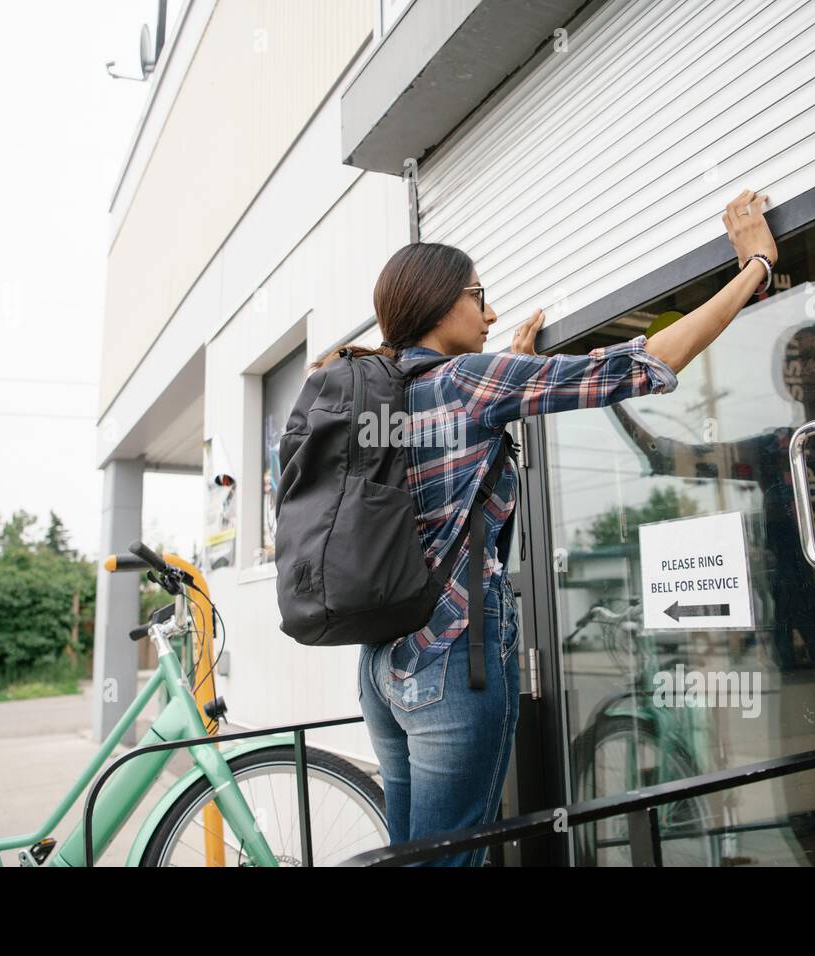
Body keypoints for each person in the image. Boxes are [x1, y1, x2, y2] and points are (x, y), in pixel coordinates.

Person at [308, 190, 778, 865]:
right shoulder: (470, 382)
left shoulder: (375, 390)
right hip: (451, 659)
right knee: (449, 860)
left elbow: (448, 472)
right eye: (478, 294)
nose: (491, 311)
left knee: (407, 857)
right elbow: (640, 364)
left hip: (382, 665)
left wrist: (515, 377)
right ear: (441, 304)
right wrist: (755, 267)